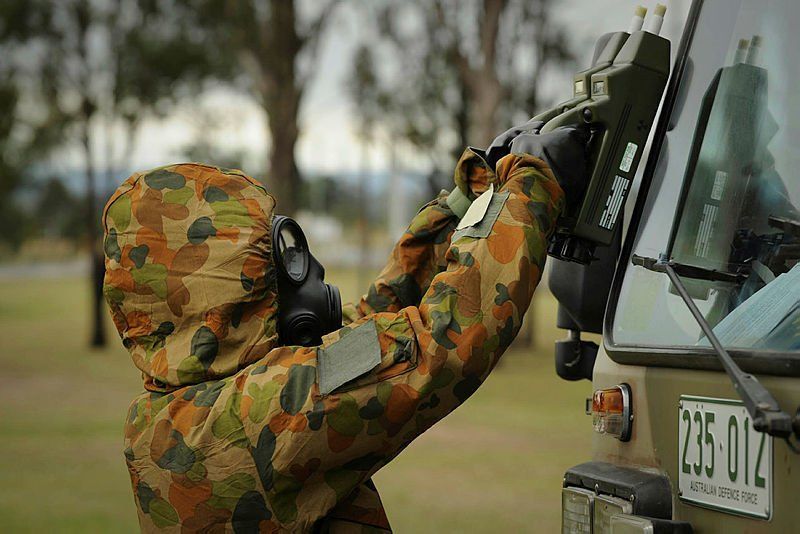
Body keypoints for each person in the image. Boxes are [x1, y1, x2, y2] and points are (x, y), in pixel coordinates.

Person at [102, 120, 589, 532]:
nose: (308, 271)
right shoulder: (262, 413)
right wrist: (532, 186)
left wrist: (464, 205)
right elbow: (443, 338)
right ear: (225, 290)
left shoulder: (171, 414)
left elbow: (367, 334)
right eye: (276, 261)